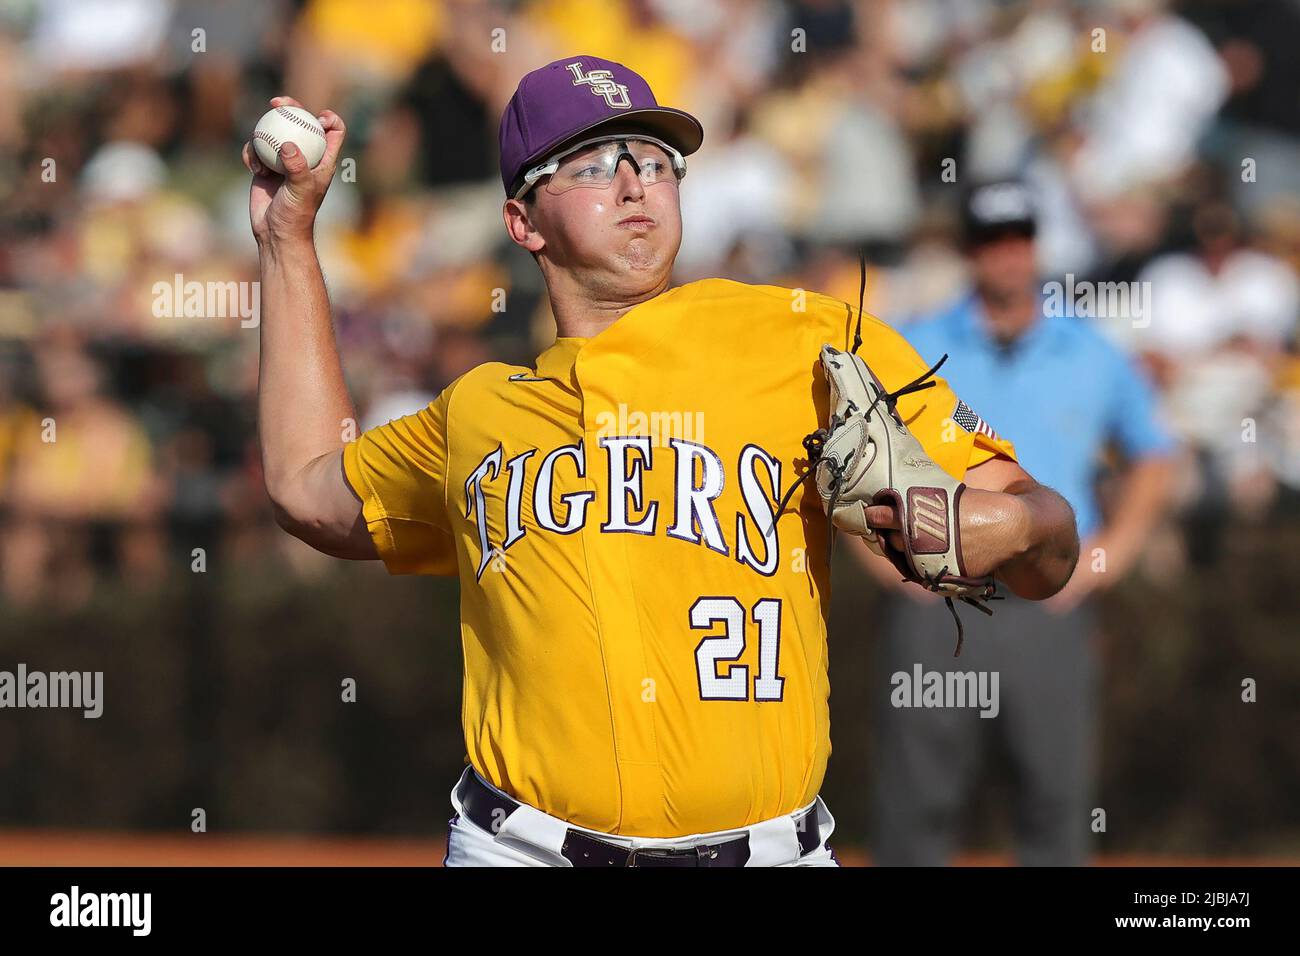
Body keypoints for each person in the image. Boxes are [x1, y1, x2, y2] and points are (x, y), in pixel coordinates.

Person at [241, 56, 1079, 867]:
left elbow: (1049, 538)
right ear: (523, 220)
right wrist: (288, 239)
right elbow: (306, 485)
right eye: (594, 163)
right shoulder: (479, 411)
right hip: (522, 851)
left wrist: (1011, 524)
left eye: (656, 159)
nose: (636, 181)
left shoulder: (804, 339)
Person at [860, 180, 1177, 866]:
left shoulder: (1090, 351)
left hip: (1049, 602)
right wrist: (881, 562)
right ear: (968, 250)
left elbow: (1155, 455)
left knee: (1055, 797)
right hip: (939, 599)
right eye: (988, 240)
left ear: (1035, 245)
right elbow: (850, 459)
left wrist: (1106, 559)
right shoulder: (913, 346)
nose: (1005, 255)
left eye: (1017, 238)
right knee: (916, 799)